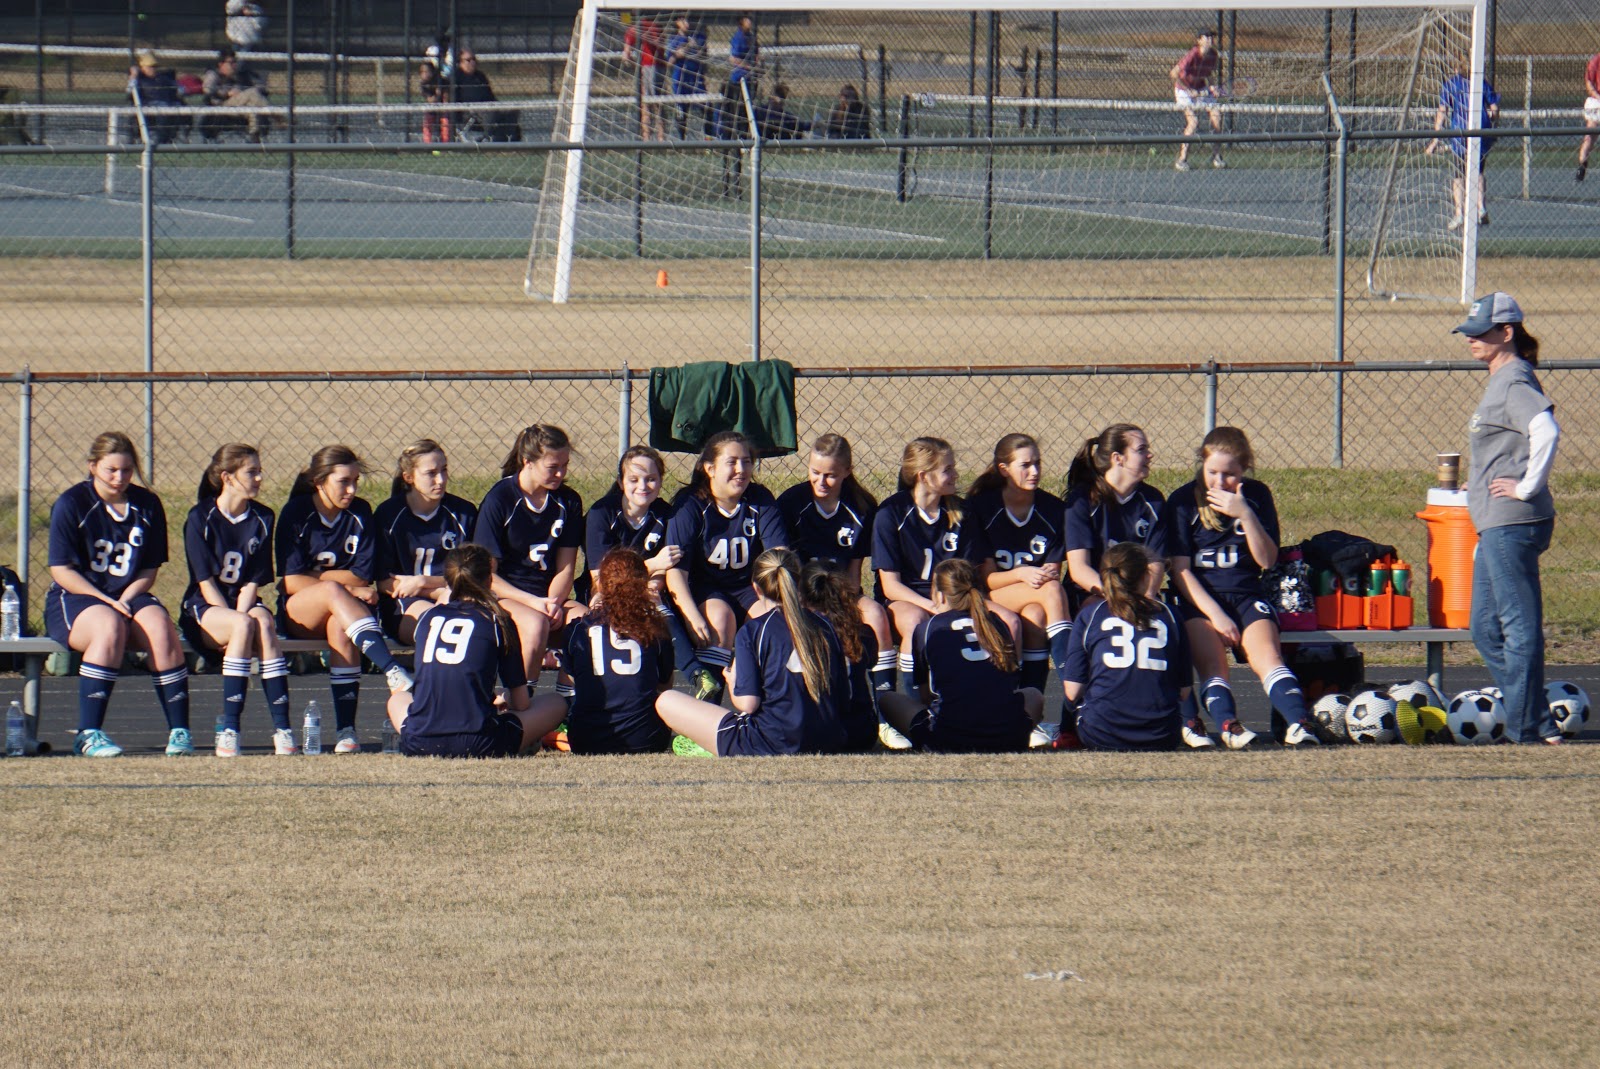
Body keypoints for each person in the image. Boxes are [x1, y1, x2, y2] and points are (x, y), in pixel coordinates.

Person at [1160, 427, 1329, 749]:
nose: (1220, 482)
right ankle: (1229, 726)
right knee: (1214, 665)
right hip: (1200, 601)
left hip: (1247, 595)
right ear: (1202, 465)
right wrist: (1217, 617)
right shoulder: (1183, 501)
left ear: (1244, 469)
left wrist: (1246, 514)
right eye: (1213, 472)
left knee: (1269, 658)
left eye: (1230, 474)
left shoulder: (1257, 495)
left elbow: (1267, 560)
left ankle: (1298, 724)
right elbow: (1180, 571)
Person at [1452, 292, 1562, 744]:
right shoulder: (1501, 378)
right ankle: (1535, 717)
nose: (1472, 339)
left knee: (1518, 627)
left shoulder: (1514, 379)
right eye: (1470, 332)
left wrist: (1526, 487)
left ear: (1507, 332)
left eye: (1481, 332)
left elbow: (1546, 430)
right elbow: (1507, 448)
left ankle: (1526, 731)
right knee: (1484, 626)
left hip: (1511, 521)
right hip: (1493, 520)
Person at [46, 432, 192, 757]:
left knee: (160, 625)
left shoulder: (147, 504)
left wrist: (126, 597)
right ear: (93, 466)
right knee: (108, 626)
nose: (119, 477)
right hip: (76, 596)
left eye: (126, 470)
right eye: (111, 470)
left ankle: (180, 731)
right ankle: (89, 733)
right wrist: (106, 599)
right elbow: (61, 570)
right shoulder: (73, 503)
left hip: (127, 594)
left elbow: (148, 570)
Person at [276, 445, 414, 754]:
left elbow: (362, 576)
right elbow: (292, 581)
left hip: (344, 615)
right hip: (300, 613)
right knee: (331, 593)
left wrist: (330, 580)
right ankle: (392, 670)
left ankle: (346, 730)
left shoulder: (360, 513)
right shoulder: (296, 513)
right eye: (343, 481)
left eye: (355, 481)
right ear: (319, 481)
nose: (351, 489)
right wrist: (345, 588)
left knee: (340, 623)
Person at [656, 549, 848, 756]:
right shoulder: (825, 626)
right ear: (798, 582)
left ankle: (711, 745)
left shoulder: (754, 630)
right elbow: (843, 697)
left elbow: (747, 703)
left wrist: (732, 681)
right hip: (829, 739)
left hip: (771, 742)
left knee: (666, 700)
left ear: (756, 588)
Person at [386, 545, 566, 758]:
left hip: (420, 741)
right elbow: (521, 703)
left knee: (396, 700)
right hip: (479, 742)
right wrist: (502, 696)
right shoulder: (497, 620)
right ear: (490, 580)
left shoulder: (427, 618)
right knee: (557, 703)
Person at [871, 437, 1006, 697]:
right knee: (916, 622)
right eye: (948, 470)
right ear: (923, 476)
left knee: (1008, 620)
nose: (956, 474)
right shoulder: (891, 514)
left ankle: (999, 705)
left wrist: (950, 604)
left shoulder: (961, 512)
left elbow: (968, 575)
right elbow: (891, 586)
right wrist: (933, 607)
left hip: (954, 596)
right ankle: (915, 710)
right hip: (908, 599)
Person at [182, 443, 293, 757]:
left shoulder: (262, 517)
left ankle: (283, 730)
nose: (259, 478)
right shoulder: (200, 517)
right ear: (227, 477)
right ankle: (229, 728)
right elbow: (204, 582)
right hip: (205, 606)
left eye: (259, 471)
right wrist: (232, 620)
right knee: (244, 625)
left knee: (263, 622)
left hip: (241, 603)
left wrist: (239, 617)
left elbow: (252, 581)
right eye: (251, 472)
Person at [583, 445, 715, 700]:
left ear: (660, 481)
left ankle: (699, 677)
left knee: (654, 602)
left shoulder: (665, 514)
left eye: (651, 479)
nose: (643, 486)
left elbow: (667, 568)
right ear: (621, 482)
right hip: (605, 591)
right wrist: (652, 565)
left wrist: (655, 582)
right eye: (634, 479)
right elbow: (601, 578)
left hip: (647, 591)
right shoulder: (602, 513)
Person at [776, 434, 896, 711]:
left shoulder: (862, 507)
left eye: (830, 475)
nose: (821, 482)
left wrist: (842, 603)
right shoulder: (792, 503)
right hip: (803, 594)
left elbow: (854, 573)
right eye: (815, 472)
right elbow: (787, 566)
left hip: (843, 592)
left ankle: (886, 712)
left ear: (847, 472)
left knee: (876, 616)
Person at [878, 559, 1043, 753]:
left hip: (949, 738)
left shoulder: (928, 628)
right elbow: (1011, 682)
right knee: (1034, 694)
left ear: (940, 595)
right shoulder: (996, 623)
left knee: (887, 700)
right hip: (1008, 736)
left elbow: (925, 694)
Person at [664, 430, 789, 684]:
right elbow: (675, 571)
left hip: (748, 587)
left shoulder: (760, 500)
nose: (741, 469)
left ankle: (765, 711)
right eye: (731, 462)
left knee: (774, 624)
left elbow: (780, 558)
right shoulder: (691, 505)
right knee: (720, 622)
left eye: (746, 461)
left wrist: (783, 602)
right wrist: (691, 614)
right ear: (709, 468)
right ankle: (710, 708)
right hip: (706, 590)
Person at [965, 434, 1071, 733]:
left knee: (1037, 614)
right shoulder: (982, 508)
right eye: (1025, 465)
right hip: (992, 595)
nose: (1035, 471)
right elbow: (987, 579)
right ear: (1004, 469)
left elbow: (1052, 569)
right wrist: (1022, 573)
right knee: (1050, 592)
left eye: (1037, 463)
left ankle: (1031, 719)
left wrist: (1036, 576)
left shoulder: (1053, 510)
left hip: (1034, 597)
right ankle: (1073, 685)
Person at [472, 425, 586, 686]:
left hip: (547, 598)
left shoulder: (568, 502)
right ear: (528, 462)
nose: (561, 473)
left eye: (565, 465)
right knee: (535, 626)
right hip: (505, 597)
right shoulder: (500, 499)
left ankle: (569, 707)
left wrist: (554, 602)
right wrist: (535, 603)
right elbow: (486, 576)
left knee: (588, 626)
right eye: (553, 466)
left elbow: (565, 568)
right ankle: (520, 708)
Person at [1062, 543, 1192, 752]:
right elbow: (1184, 691)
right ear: (1144, 577)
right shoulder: (1169, 615)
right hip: (1161, 735)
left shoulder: (1091, 614)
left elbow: (1073, 689)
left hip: (1102, 733)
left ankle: (1064, 734)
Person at [562, 548, 676, 754]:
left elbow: (574, 680)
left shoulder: (578, 628)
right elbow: (664, 684)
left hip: (585, 740)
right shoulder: (655, 626)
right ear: (643, 585)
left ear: (601, 585)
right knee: (668, 699)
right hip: (644, 740)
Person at [374, 439, 477, 647]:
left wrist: (422, 582)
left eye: (444, 470)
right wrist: (439, 589)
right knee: (440, 625)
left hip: (454, 595)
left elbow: (471, 574)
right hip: (404, 605)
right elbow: (385, 582)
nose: (440, 480)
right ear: (409, 477)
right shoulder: (389, 515)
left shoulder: (463, 513)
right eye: (431, 473)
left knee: (473, 624)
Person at [1064, 424, 1167, 605]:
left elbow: (1155, 562)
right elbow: (1079, 569)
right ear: (1118, 458)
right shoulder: (1083, 500)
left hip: (1138, 594)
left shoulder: (1153, 501)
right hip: (1092, 592)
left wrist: (1146, 597)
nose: (1150, 455)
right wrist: (1118, 598)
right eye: (1141, 450)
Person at [799, 560, 880, 754]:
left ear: (800, 595)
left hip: (818, 731)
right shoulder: (862, 631)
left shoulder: (798, 635)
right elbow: (871, 662)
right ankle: (885, 727)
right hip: (861, 732)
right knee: (889, 699)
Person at [1425, 58, 1499, 229]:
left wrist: (1435, 139)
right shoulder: (1481, 83)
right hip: (1480, 131)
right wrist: (1492, 122)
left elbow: (1442, 111)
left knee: (1459, 175)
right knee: (1478, 171)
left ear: (1457, 67)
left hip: (1460, 133)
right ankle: (1481, 208)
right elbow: (1494, 109)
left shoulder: (1451, 85)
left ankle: (1460, 213)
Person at [1168, 29, 1224, 172]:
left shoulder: (1213, 55)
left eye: (1212, 37)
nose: (1210, 39)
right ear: (1199, 40)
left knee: (1217, 116)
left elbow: (1209, 74)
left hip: (1200, 89)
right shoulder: (1192, 54)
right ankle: (1182, 159)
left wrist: (1212, 87)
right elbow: (1174, 73)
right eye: (1207, 37)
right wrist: (1188, 90)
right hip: (1183, 91)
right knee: (1193, 122)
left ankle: (1217, 157)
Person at [200, 48, 270, 143]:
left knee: (253, 105)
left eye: (235, 62)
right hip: (222, 106)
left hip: (240, 105)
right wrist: (227, 94)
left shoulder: (238, 75)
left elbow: (254, 87)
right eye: (231, 62)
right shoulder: (214, 75)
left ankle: (254, 136)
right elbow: (207, 91)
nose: (234, 65)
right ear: (221, 64)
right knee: (253, 92)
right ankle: (275, 114)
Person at [452, 48, 520, 142]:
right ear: (460, 62)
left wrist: (498, 106)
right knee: (490, 112)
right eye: (468, 60)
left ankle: (509, 140)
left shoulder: (480, 76)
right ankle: (489, 140)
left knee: (511, 109)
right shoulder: (456, 77)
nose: (472, 62)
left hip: (487, 106)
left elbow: (490, 96)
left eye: (474, 59)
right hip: (468, 111)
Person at [126, 50, 186, 145]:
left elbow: (181, 90)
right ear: (143, 68)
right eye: (149, 67)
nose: (152, 69)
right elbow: (130, 90)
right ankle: (154, 138)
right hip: (146, 106)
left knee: (169, 112)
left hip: (166, 106)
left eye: (154, 67)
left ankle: (163, 138)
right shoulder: (139, 80)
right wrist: (134, 75)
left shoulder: (164, 79)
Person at [622, 16, 667, 141]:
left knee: (653, 103)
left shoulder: (650, 26)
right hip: (650, 66)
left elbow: (626, 54)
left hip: (653, 66)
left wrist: (629, 55)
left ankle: (655, 137)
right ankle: (653, 137)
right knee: (650, 103)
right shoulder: (646, 26)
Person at [666, 14, 709, 139]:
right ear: (677, 23)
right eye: (682, 20)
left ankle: (709, 140)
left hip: (696, 80)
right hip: (680, 80)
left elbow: (703, 54)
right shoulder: (673, 40)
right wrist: (678, 54)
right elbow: (669, 61)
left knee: (705, 108)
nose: (686, 23)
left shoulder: (698, 38)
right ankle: (682, 140)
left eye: (687, 19)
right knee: (681, 112)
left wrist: (695, 47)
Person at [1577, 51, 1599, 182]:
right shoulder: (1596, 60)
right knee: (1590, 136)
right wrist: (1598, 96)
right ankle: (1581, 168)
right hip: (1597, 102)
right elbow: (1589, 83)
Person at [419, 56, 450, 143]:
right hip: (431, 108)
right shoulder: (423, 85)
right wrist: (437, 94)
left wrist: (443, 96)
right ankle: (428, 144)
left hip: (443, 108)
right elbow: (430, 100)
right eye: (422, 72)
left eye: (427, 71)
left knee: (445, 122)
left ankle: (446, 143)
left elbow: (446, 96)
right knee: (427, 122)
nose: (425, 74)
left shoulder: (440, 81)